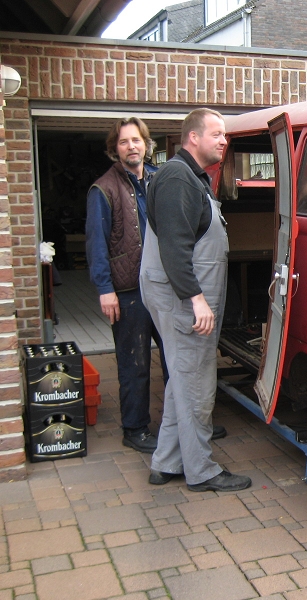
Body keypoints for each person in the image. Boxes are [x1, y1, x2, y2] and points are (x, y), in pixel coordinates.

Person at [141, 108, 250, 492]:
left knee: (182, 377)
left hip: (187, 296)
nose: (224, 140)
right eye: (217, 133)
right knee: (197, 382)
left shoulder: (191, 177)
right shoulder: (177, 179)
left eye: (224, 135)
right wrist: (196, 300)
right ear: (193, 138)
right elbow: (174, 247)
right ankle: (201, 470)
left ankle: (167, 461)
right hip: (183, 299)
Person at [86, 118, 165, 453]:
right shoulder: (102, 189)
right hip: (129, 291)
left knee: (177, 359)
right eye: (123, 142)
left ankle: (183, 422)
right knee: (134, 364)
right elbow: (96, 243)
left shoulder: (161, 180)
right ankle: (134, 429)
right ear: (113, 149)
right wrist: (105, 289)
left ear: (146, 144)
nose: (132, 146)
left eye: (136, 140)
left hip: (165, 286)